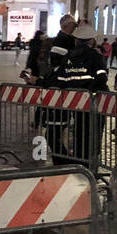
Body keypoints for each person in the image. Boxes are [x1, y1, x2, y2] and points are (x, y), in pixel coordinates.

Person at [43, 20, 108, 166]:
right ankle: (86, 165)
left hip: (71, 102)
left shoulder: (68, 57)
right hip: (91, 103)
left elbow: (59, 79)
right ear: (91, 41)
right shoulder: (95, 57)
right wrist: (88, 90)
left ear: (77, 40)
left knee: (78, 133)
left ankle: (72, 162)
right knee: (89, 135)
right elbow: (102, 77)